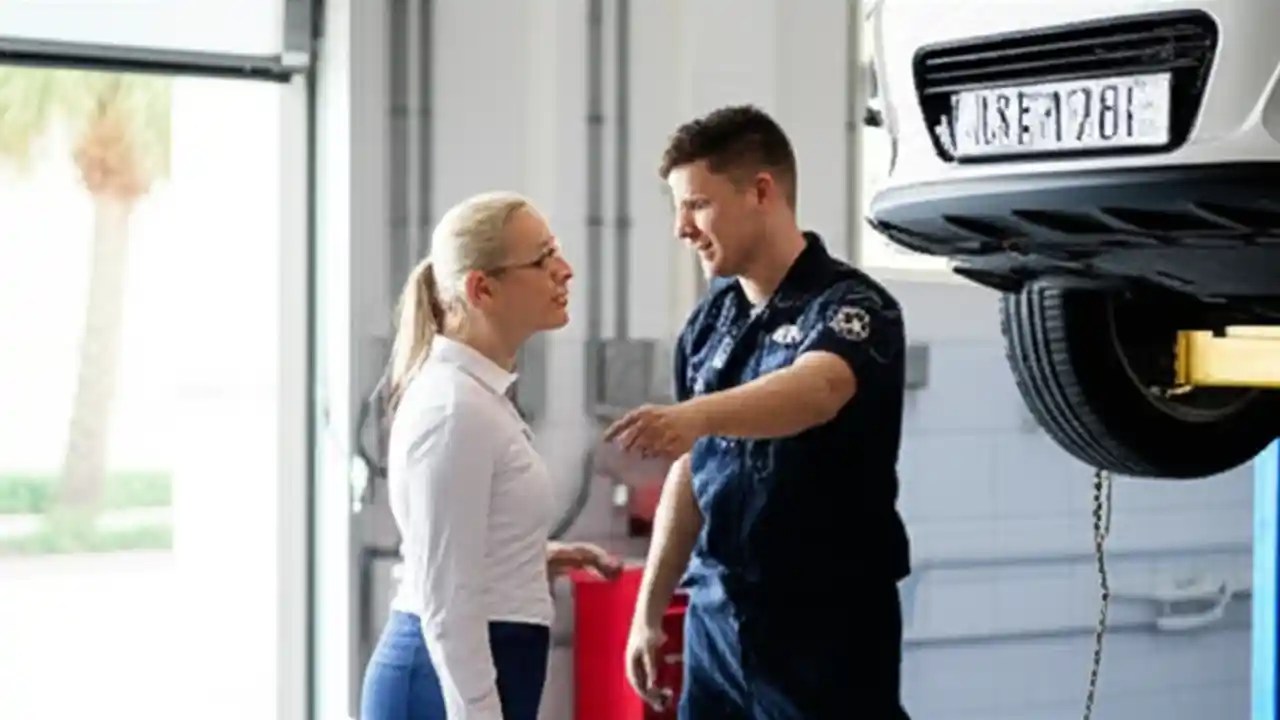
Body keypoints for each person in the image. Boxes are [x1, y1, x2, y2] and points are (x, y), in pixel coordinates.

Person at [608, 105, 912, 719]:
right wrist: (648, 609)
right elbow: (694, 471)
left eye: (696, 204)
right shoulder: (708, 323)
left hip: (824, 629)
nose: (681, 228)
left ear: (761, 192)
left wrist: (697, 416)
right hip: (718, 622)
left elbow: (818, 388)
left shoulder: (853, 306)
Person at [361, 191, 623, 720]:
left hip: (479, 665)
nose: (565, 271)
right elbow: (447, 603)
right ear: (482, 288)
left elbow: (461, 554)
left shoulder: (477, 397)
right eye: (543, 259)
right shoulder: (454, 409)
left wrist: (530, 556)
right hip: (441, 684)